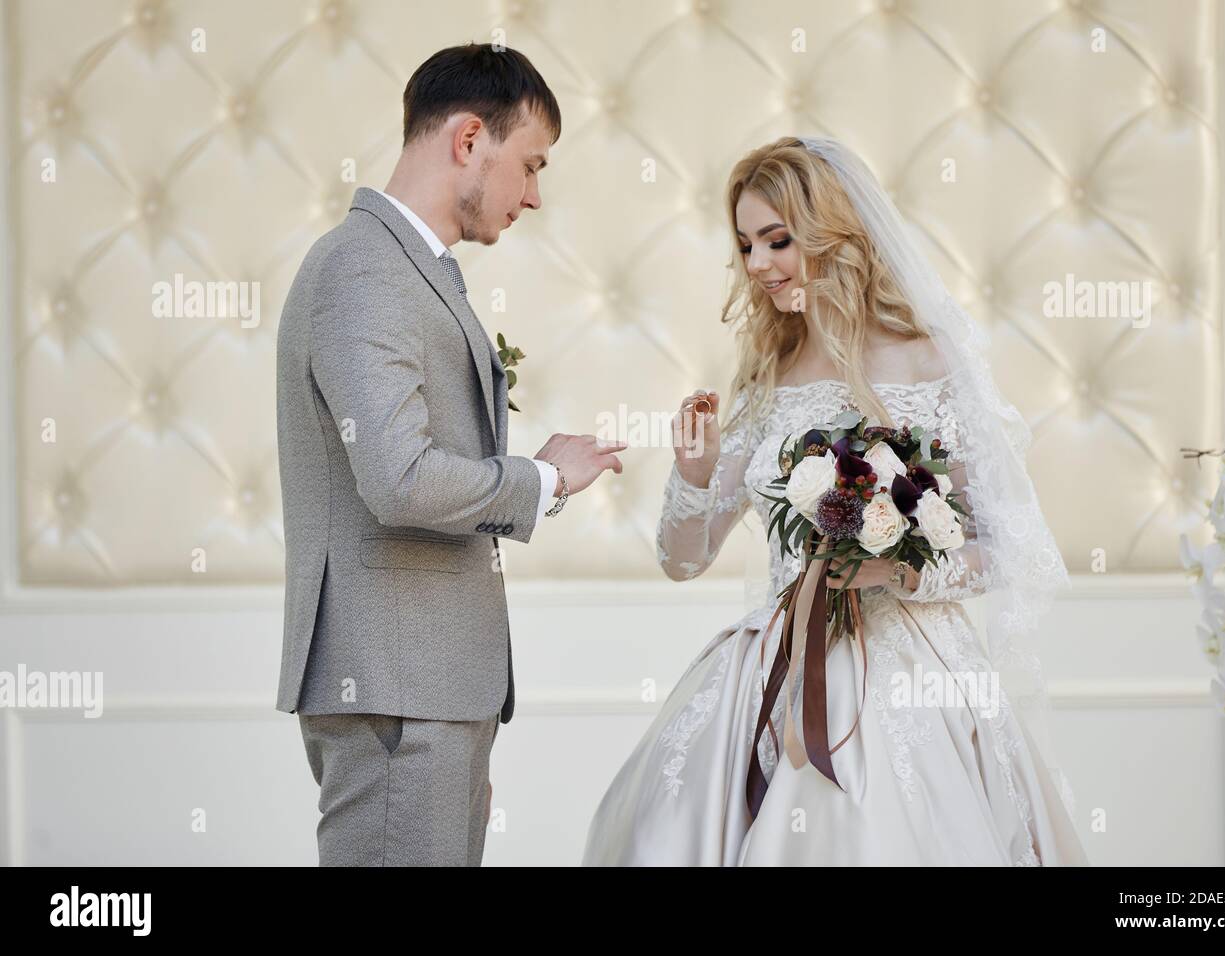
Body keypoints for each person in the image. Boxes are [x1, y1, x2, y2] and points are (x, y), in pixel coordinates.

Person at [581, 136, 1088, 866]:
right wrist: (694, 472)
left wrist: (897, 571)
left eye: (778, 240)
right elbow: (682, 560)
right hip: (780, 660)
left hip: (912, 668)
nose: (758, 265)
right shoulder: (769, 375)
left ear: (832, 233)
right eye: (746, 244)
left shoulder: (929, 361)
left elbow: (1008, 548)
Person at [276, 43, 623, 866]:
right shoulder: (366, 269)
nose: (535, 195)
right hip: (395, 691)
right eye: (530, 165)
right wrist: (542, 480)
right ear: (470, 140)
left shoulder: (409, 270)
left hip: (427, 688)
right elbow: (397, 479)